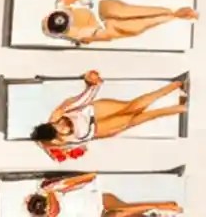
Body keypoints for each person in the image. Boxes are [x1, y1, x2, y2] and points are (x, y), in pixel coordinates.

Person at [31, 72, 187, 161]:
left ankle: (172, 87)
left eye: (56, 125)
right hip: (96, 130)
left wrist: (92, 88)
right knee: (133, 119)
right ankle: (176, 108)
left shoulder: (56, 115)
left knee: (131, 106)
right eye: (58, 130)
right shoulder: (55, 142)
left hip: (94, 111)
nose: (61, 127)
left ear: (49, 123)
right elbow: (62, 153)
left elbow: (76, 101)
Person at [44, 0, 198, 45]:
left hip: (98, 7)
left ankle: (170, 11)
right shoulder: (74, 34)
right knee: (133, 29)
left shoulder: (63, 2)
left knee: (121, 13)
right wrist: (107, 32)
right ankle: (174, 15)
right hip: (100, 26)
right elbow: (102, 36)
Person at [24, 172, 184, 217]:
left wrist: (53, 187)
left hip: (99, 200)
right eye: (44, 211)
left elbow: (89, 176)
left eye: (46, 205)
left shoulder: (57, 189)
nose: (49, 209)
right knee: (119, 215)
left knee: (123, 211)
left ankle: (161, 207)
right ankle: (161, 210)